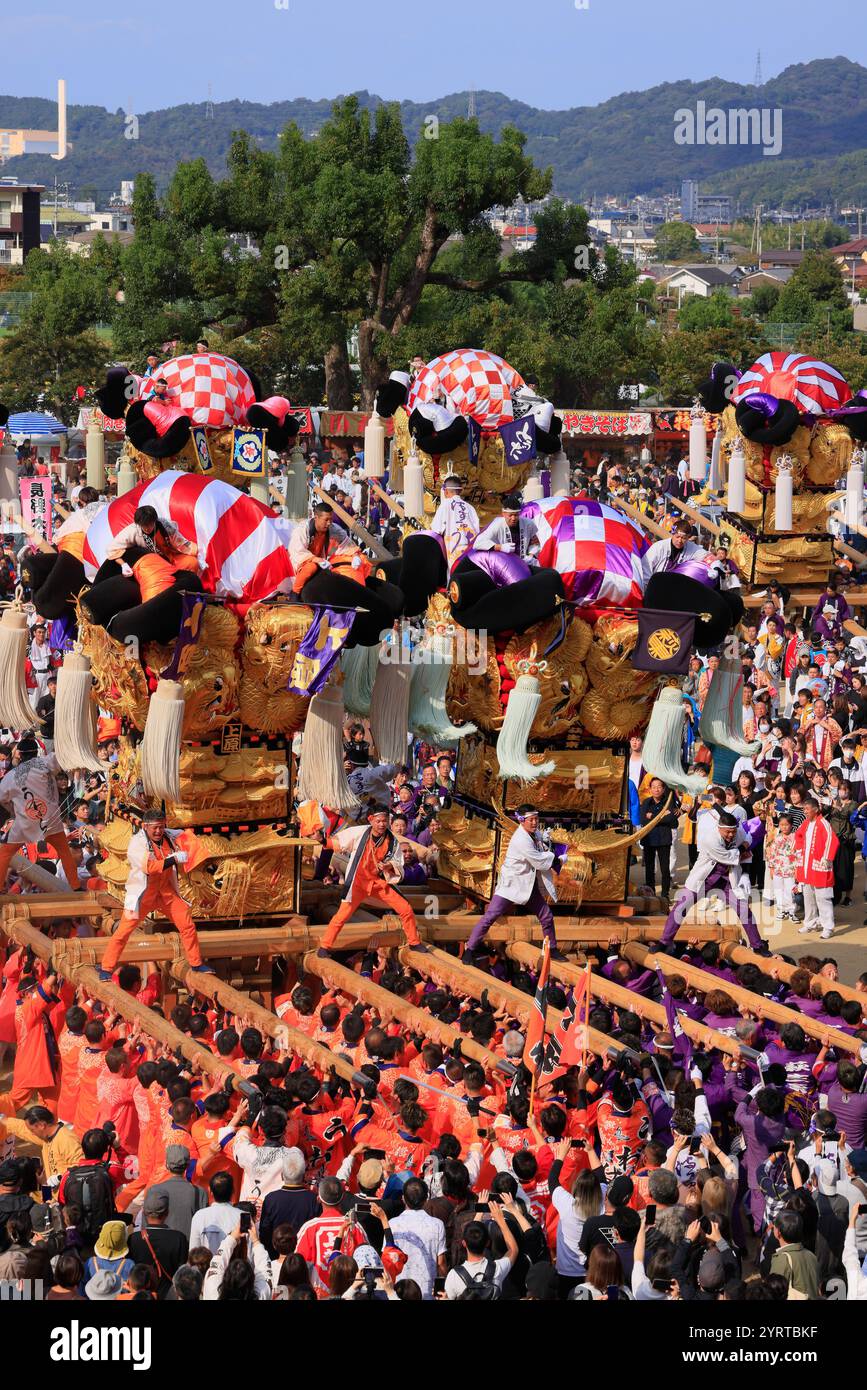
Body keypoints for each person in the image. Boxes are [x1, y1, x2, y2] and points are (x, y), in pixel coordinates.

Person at [98, 807, 212, 977]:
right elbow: (149, 867)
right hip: (143, 895)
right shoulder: (137, 843)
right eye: (155, 828)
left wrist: (192, 850)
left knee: (187, 924)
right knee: (123, 931)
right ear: (145, 827)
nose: (158, 831)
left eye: (161, 827)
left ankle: (196, 963)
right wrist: (173, 859)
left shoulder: (168, 836)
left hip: (166, 893)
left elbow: (185, 835)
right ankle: (106, 968)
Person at [658, 809, 767, 953]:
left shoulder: (739, 832)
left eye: (733, 832)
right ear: (719, 828)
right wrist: (743, 847)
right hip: (705, 877)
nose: (730, 835)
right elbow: (729, 857)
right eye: (727, 832)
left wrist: (745, 845)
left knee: (743, 909)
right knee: (681, 906)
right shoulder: (710, 838)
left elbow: (749, 839)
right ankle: (664, 941)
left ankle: (757, 945)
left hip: (728, 877)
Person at [318, 806, 423, 954]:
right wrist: (322, 839)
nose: (382, 824)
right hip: (357, 883)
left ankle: (414, 942)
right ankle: (325, 946)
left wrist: (388, 866)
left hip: (378, 883)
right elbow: (337, 844)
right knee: (341, 916)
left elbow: (398, 863)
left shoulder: (391, 841)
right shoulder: (360, 832)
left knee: (405, 908)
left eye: (385, 821)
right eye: (378, 821)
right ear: (371, 820)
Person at [465, 805, 563, 961]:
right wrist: (557, 858)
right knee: (490, 916)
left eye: (536, 819)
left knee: (546, 916)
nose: (534, 823)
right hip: (510, 885)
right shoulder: (521, 839)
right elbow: (538, 861)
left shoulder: (533, 834)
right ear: (522, 820)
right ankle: (469, 950)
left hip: (527, 885)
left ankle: (553, 948)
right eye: (531, 820)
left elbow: (541, 844)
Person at [0, 739, 81, 893]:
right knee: (64, 850)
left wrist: (13, 809)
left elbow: (2, 798)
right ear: (36, 752)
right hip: (51, 818)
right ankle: (76, 887)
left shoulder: (10, 776)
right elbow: (65, 756)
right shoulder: (46, 761)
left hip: (26, 822)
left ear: (20, 755)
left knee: (4, 854)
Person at [127, 1189, 189, 1299]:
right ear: (167, 1213)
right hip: (170, 1295)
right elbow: (182, 1272)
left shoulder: (133, 1239)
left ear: (145, 1212)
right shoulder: (179, 1238)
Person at [795, 795, 839, 941]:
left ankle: (828, 927)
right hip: (807, 867)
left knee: (823, 897)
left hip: (819, 866)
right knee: (808, 897)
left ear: (816, 809)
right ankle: (810, 922)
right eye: (804, 809)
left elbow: (832, 840)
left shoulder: (823, 823)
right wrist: (799, 851)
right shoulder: (806, 823)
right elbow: (798, 836)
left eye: (807, 809)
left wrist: (826, 858)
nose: (805, 812)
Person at [430, 475, 480, 570]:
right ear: (460, 491)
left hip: (454, 549)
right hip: (471, 551)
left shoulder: (445, 505)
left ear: (446, 491)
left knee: (455, 580)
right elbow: (477, 530)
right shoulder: (470, 507)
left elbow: (436, 529)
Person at [189, 1169, 243, 1255]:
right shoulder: (242, 1216)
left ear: (210, 1191)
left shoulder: (199, 1216)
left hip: (206, 1267)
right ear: (233, 1190)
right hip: (235, 1267)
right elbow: (250, 1253)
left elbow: (193, 1253)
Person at [474, 494, 539, 565]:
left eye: (516, 515)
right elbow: (478, 543)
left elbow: (535, 542)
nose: (513, 518)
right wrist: (500, 547)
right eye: (510, 515)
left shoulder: (528, 523)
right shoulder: (497, 524)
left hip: (525, 562)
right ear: (503, 514)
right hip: (503, 564)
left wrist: (531, 555)